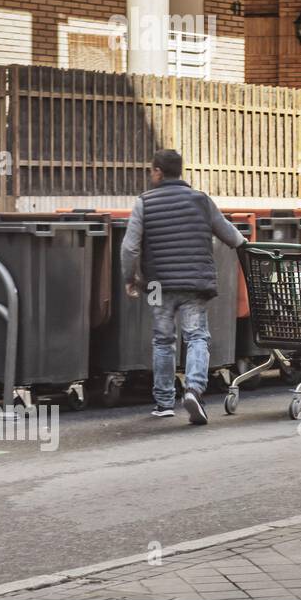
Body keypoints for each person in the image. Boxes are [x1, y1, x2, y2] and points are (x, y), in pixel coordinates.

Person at [120, 149, 246, 424]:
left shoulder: (144, 202)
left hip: (155, 285)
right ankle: (194, 390)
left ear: (158, 172)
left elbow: (129, 247)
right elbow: (228, 232)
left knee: (162, 340)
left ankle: (164, 402)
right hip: (194, 282)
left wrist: (130, 279)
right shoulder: (200, 200)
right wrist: (246, 247)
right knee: (197, 337)